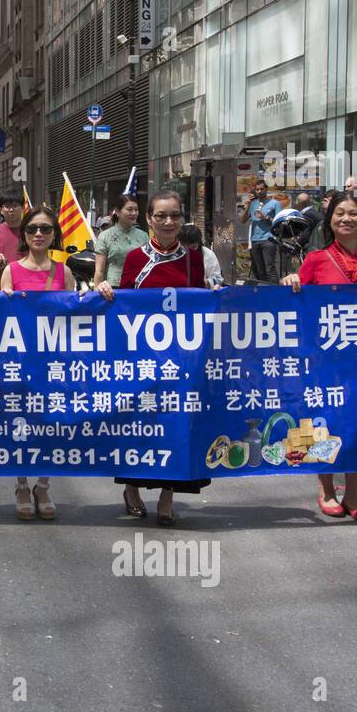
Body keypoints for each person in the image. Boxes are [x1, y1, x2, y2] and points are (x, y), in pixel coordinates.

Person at [282, 192, 357, 523]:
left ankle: (354, 492)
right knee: (322, 419)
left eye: (353, 213)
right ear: (330, 221)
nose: (346, 219)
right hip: (326, 359)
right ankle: (326, 489)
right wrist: (292, 280)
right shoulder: (316, 259)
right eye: (339, 214)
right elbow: (297, 301)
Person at [99, 190, 207, 527]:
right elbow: (125, 305)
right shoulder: (134, 258)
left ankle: (167, 495)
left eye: (175, 215)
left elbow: (200, 300)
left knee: (176, 426)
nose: (169, 222)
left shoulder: (194, 257)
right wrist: (106, 291)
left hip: (180, 359)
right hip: (142, 357)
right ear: (149, 219)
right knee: (139, 424)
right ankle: (132, 486)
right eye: (161, 216)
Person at [0, 204, 74, 521]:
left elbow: (76, 319)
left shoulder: (64, 272)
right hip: (19, 363)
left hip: (54, 364)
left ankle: (43, 484)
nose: (39, 234)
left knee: (50, 425)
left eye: (45, 228)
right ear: (24, 234)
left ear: (55, 234)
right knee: (19, 426)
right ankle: (21, 484)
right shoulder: (11, 272)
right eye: (33, 229)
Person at [93, 193, 148, 289]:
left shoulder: (144, 236)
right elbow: (99, 271)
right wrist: (96, 295)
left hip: (137, 288)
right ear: (118, 212)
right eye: (129, 209)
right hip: (112, 290)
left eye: (136, 210)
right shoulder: (105, 236)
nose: (134, 213)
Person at [241, 179, 281, 283]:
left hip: (269, 240)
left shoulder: (275, 203)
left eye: (261, 189)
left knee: (269, 268)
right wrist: (247, 206)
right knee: (259, 269)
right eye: (257, 189)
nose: (259, 191)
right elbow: (242, 220)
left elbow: (279, 223)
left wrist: (265, 218)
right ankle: (263, 292)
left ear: (266, 189)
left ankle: (275, 292)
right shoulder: (253, 204)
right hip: (254, 240)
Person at [178, 223, 223, 288]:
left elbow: (218, 279)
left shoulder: (208, 254)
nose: (189, 252)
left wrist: (207, 282)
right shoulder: (173, 255)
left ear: (199, 242)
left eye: (193, 247)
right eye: (185, 248)